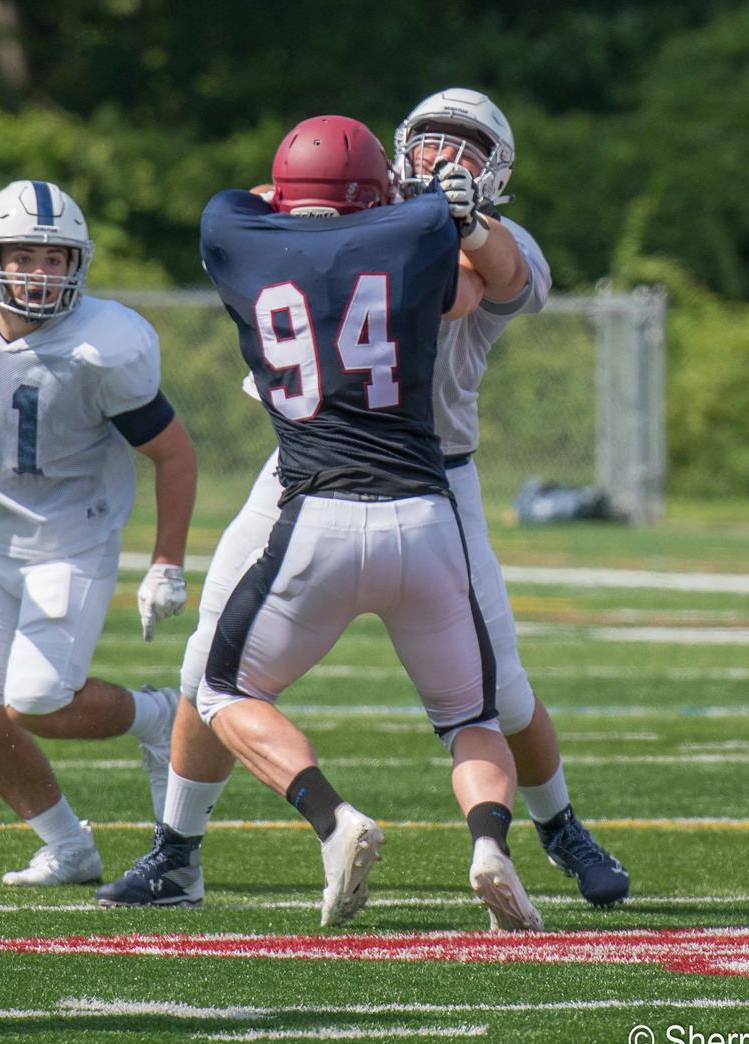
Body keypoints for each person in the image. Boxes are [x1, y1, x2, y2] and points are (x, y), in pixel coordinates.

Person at [99, 90, 629, 918]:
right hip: (306, 467)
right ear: (395, 152)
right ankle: (177, 850)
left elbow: (478, 283)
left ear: (496, 171)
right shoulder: (380, 224)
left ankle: (559, 826)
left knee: (506, 691)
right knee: (205, 662)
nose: (444, 162)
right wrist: (401, 213)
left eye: (467, 150)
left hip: (437, 478)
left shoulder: (474, 236)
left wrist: (465, 222)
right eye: (431, 145)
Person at [0, 180, 198, 887]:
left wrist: (166, 562)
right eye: (22, 256)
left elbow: (173, 452)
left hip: (72, 538)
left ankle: (158, 717)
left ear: (77, 265)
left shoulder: (104, 345)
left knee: (37, 700)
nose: (38, 273)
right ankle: (67, 844)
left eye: (55, 259)